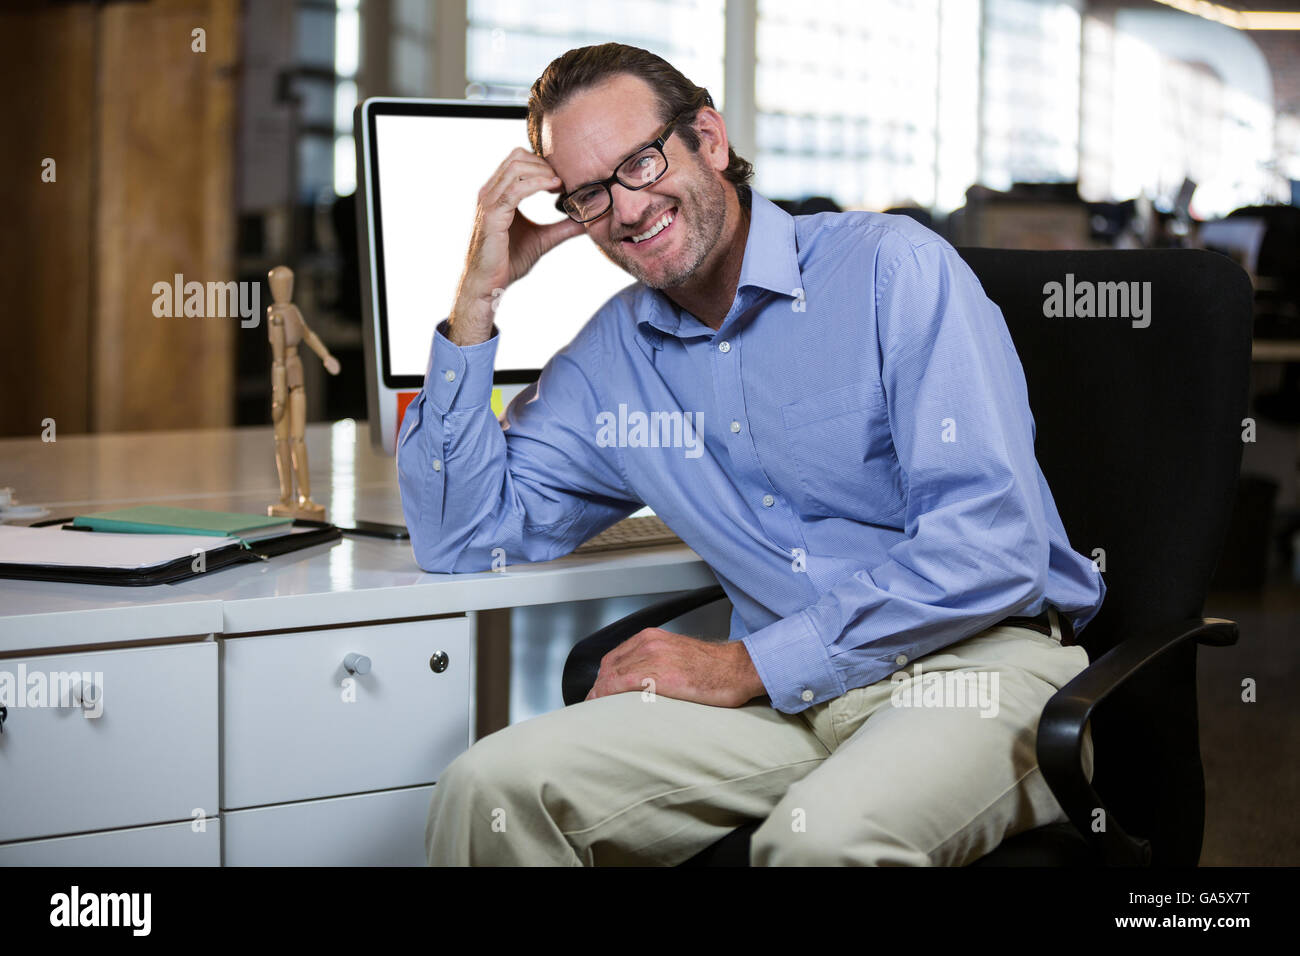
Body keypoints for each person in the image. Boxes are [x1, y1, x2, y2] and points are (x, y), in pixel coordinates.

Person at [400, 43, 1106, 866]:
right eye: (589, 195)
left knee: (825, 846)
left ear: (708, 136)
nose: (625, 211)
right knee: (490, 789)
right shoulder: (610, 363)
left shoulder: (890, 270)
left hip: (971, 669)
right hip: (783, 708)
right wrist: (477, 297)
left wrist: (747, 663)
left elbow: (992, 547)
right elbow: (458, 537)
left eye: (640, 162)